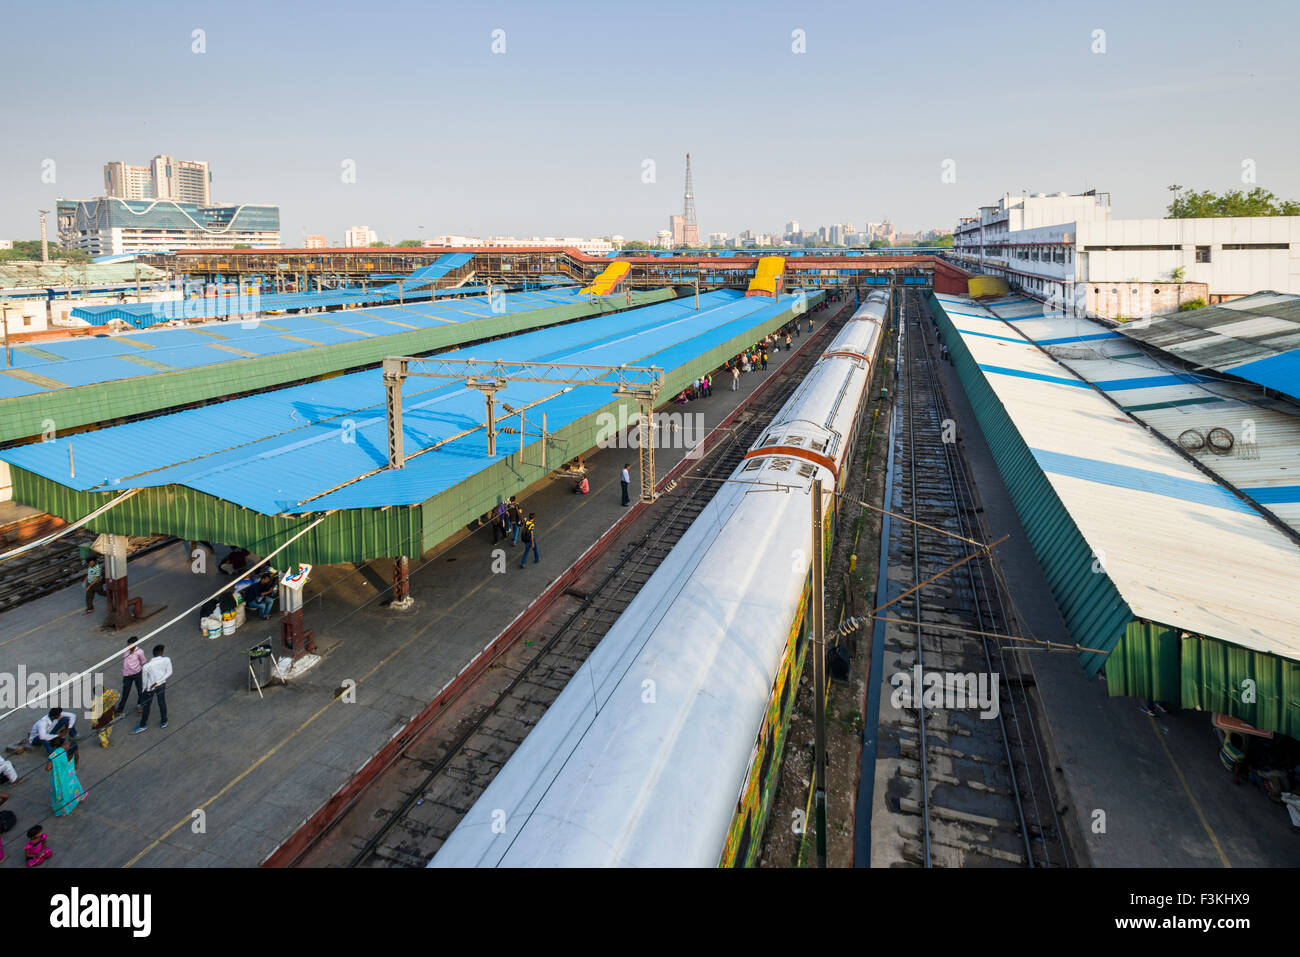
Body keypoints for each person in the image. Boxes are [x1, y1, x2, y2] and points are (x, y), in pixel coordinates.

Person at [131, 645, 172, 735]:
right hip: (161, 685)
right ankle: (164, 721)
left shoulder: (147, 666)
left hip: (150, 687)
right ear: (161, 653)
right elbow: (169, 672)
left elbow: (145, 680)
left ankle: (143, 725)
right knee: (161, 702)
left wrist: (144, 690)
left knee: (146, 706)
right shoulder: (166, 660)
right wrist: (160, 680)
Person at [46, 737, 85, 818]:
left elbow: (47, 768)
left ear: (54, 747)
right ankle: (78, 797)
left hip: (59, 777)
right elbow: (76, 755)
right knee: (73, 784)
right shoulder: (71, 745)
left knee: (60, 792)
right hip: (69, 772)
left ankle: (62, 810)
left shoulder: (54, 755)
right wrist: (76, 765)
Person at [119, 641, 148, 717]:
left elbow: (143, 661)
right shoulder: (125, 651)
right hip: (127, 675)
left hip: (137, 674)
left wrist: (138, 667)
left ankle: (140, 706)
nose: (129, 647)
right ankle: (119, 710)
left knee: (140, 691)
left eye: (130, 645)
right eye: (128, 645)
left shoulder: (139, 652)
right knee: (125, 693)